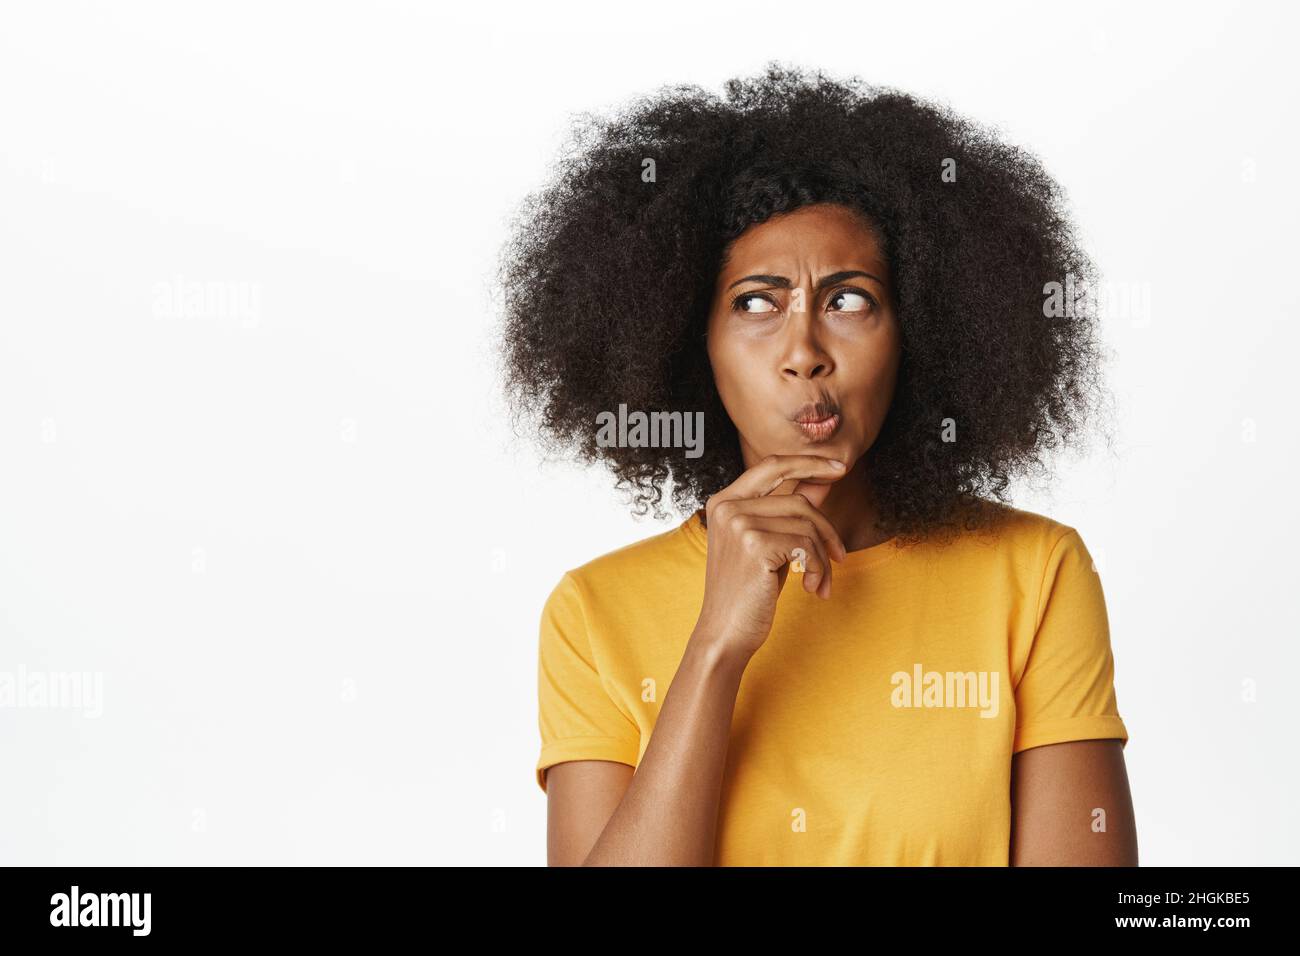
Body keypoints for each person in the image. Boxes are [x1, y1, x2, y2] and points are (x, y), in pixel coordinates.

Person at [497, 64, 1136, 866]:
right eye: (757, 303)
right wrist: (714, 647)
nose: (804, 353)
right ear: (691, 344)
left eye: (848, 300)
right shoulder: (594, 613)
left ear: (921, 333)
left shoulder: (1033, 575)